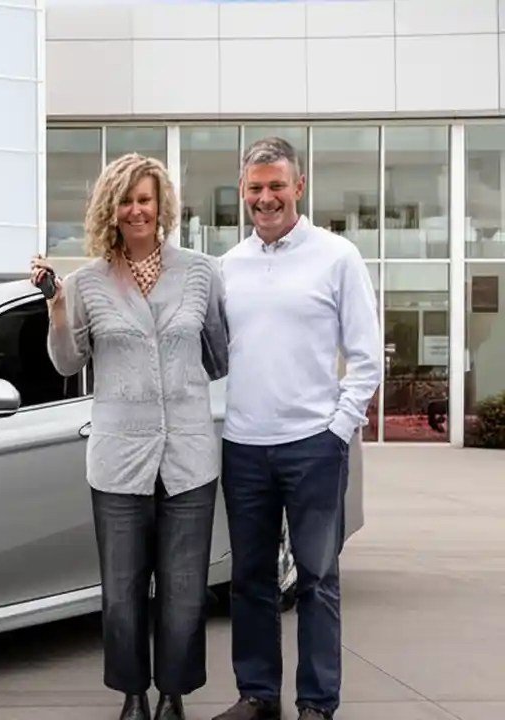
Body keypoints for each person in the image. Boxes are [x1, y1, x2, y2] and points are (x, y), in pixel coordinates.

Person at [29, 153, 229, 720]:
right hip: (119, 458)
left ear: (161, 205)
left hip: (189, 456)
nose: (137, 210)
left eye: (146, 199)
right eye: (127, 201)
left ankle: (173, 696)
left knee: (185, 589)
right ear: (110, 210)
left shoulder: (201, 272)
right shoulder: (85, 282)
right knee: (121, 591)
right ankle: (133, 694)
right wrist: (58, 308)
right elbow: (68, 364)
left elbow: (218, 355)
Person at [211, 137, 382, 720]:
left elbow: (366, 359)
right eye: (255, 188)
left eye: (276, 186)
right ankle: (257, 696)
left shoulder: (337, 257)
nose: (266, 198)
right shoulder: (226, 268)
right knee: (250, 581)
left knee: (316, 580)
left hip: (314, 446)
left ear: (299, 187)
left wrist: (337, 429)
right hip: (243, 447)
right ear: (243, 191)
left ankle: (316, 704)